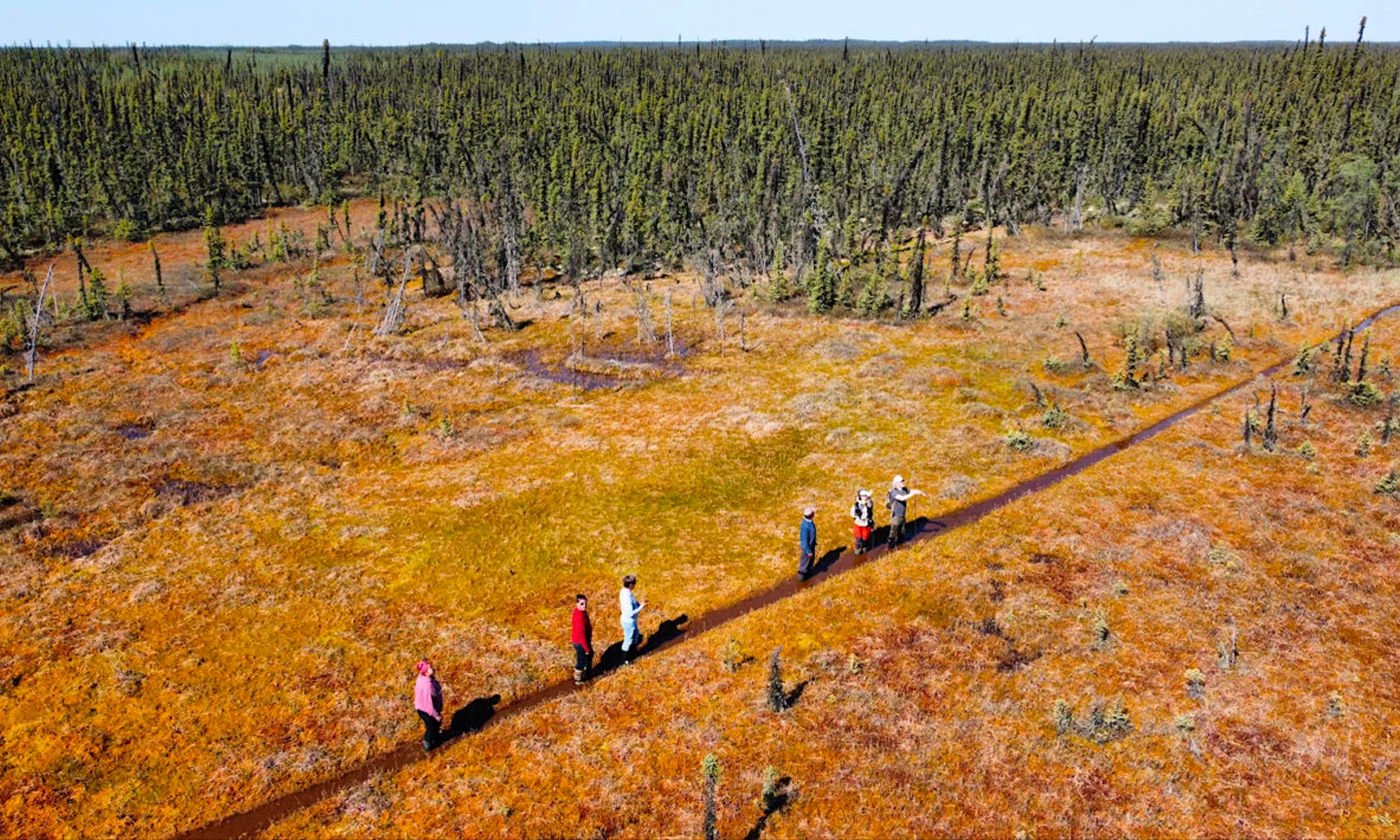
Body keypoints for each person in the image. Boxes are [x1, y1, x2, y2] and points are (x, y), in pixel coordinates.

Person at [885, 475, 926, 550]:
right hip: (896, 516)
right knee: (894, 532)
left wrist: (921, 492)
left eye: (903, 480)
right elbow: (901, 498)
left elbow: (913, 491)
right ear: (897, 483)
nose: (903, 482)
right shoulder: (894, 492)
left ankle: (899, 546)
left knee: (902, 531)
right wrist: (912, 494)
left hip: (902, 515)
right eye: (902, 481)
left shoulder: (904, 489)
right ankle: (890, 547)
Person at [414, 659, 444, 752]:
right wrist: (436, 716)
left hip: (422, 707)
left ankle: (435, 737)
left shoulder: (422, 678)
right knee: (431, 727)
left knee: (434, 725)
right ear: (426, 672)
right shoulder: (428, 686)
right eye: (430, 668)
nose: (433, 669)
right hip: (426, 710)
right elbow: (429, 706)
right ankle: (427, 745)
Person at [619, 574, 645, 663]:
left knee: (636, 635)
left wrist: (638, 604)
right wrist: (641, 607)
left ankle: (633, 652)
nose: (635, 586)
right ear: (630, 585)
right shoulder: (626, 597)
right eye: (634, 584)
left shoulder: (626, 591)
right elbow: (630, 613)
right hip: (628, 622)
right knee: (628, 640)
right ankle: (625, 659)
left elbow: (633, 603)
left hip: (632, 621)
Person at [571, 593, 593, 684]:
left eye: (585, 604)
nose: (584, 606)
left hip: (581, 641)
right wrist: (586, 649)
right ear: (577, 604)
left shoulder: (579, 612)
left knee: (588, 656)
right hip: (580, 642)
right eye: (582, 604)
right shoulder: (579, 617)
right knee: (582, 660)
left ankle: (586, 672)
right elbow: (581, 636)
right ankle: (578, 678)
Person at [850, 489, 874, 554]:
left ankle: (864, 546)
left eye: (865, 495)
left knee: (865, 537)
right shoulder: (856, 504)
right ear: (860, 496)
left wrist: (869, 497)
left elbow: (870, 505)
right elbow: (851, 513)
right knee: (858, 538)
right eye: (863, 496)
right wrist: (856, 514)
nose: (864, 497)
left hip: (866, 524)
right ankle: (858, 548)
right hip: (858, 524)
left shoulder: (869, 503)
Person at [798, 506, 817, 579]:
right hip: (807, 548)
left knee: (810, 561)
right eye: (813, 512)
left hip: (811, 545)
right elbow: (805, 542)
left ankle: (808, 572)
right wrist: (809, 552)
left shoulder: (809, 522)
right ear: (810, 515)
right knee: (804, 563)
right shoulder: (805, 526)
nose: (814, 513)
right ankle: (802, 577)